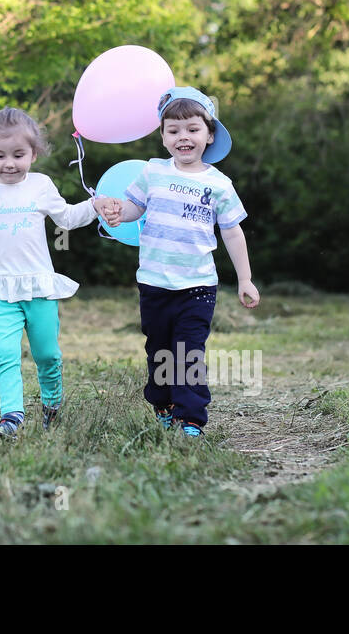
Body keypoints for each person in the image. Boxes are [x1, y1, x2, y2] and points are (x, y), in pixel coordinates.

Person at [0, 106, 123, 444]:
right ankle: (11, 416)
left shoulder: (40, 185)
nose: (8, 163)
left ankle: (52, 406)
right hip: (0, 290)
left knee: (47, 355)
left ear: (34, 154)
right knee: (5, 354)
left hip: (39, 287)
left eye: (18, 154)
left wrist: (95, 205)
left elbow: (67, 219)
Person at [103, 87, 259, 440]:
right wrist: (117, 213)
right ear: (163, 137)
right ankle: (163, 404)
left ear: (210, 135)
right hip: (155, 283)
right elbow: (134, 209)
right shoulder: (152, 172)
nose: (183, 137)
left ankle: (191, 419)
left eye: (192, 129)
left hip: (198, 285)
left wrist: (245, 279)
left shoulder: (219, 184)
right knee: (158, 348)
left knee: (188, 353)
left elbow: (233, 233)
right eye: (173, 130)